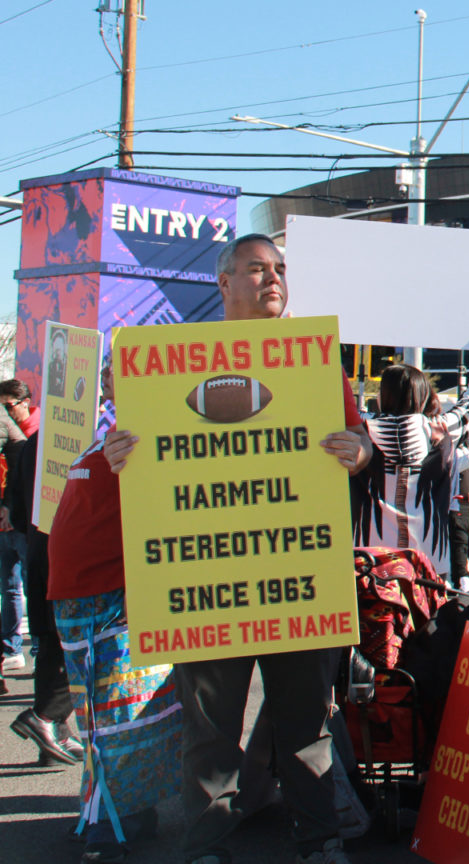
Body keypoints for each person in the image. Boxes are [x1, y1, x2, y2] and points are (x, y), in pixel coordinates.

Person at [102, 233, 374, 864]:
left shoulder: (312, 362)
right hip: (206, 584)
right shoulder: (169, 360)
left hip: (295, 577)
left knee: (306, 726)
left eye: (279, 269)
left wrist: (358, 450)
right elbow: (137, 448)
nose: (273, 278)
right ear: (224, 283)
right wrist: (123, 453)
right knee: (210, 734)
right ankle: (207, 844)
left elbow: (359, 439)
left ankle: (319, 839)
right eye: (257, 269)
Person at [50, 357, 183, 863]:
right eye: (108, 377)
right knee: (99, 718)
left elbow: (156, 515)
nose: (110, 383)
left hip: (113, 601)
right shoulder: (108, 433)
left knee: (120, 718)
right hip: (78, 598)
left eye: (119, 375)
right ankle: (114, 811)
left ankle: (112, 823)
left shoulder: (145, 440)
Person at [352, 327, 469, 577]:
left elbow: (317, 400)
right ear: (423, 396)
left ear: (383, 396)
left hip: (369, 565)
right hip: (428, 565)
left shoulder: (359, 427)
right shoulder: (441, 429)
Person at [5, 397, 80, 767]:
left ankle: (53, 734)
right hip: (66, 561)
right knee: (71, 648)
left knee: (52, 647)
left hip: (40, 553)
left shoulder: (35, 442)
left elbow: (17, 511)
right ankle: (48, 719)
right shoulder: (85, 444)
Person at [0, 378, 38, 676]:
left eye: (8, 405)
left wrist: (11, 510)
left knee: (33, 585)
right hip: (8, 521)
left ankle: (38, 648)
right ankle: (12, 648)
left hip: (25, 523)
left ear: (25, 402)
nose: (5, 412)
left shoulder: (37, 432)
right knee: (10, 588)